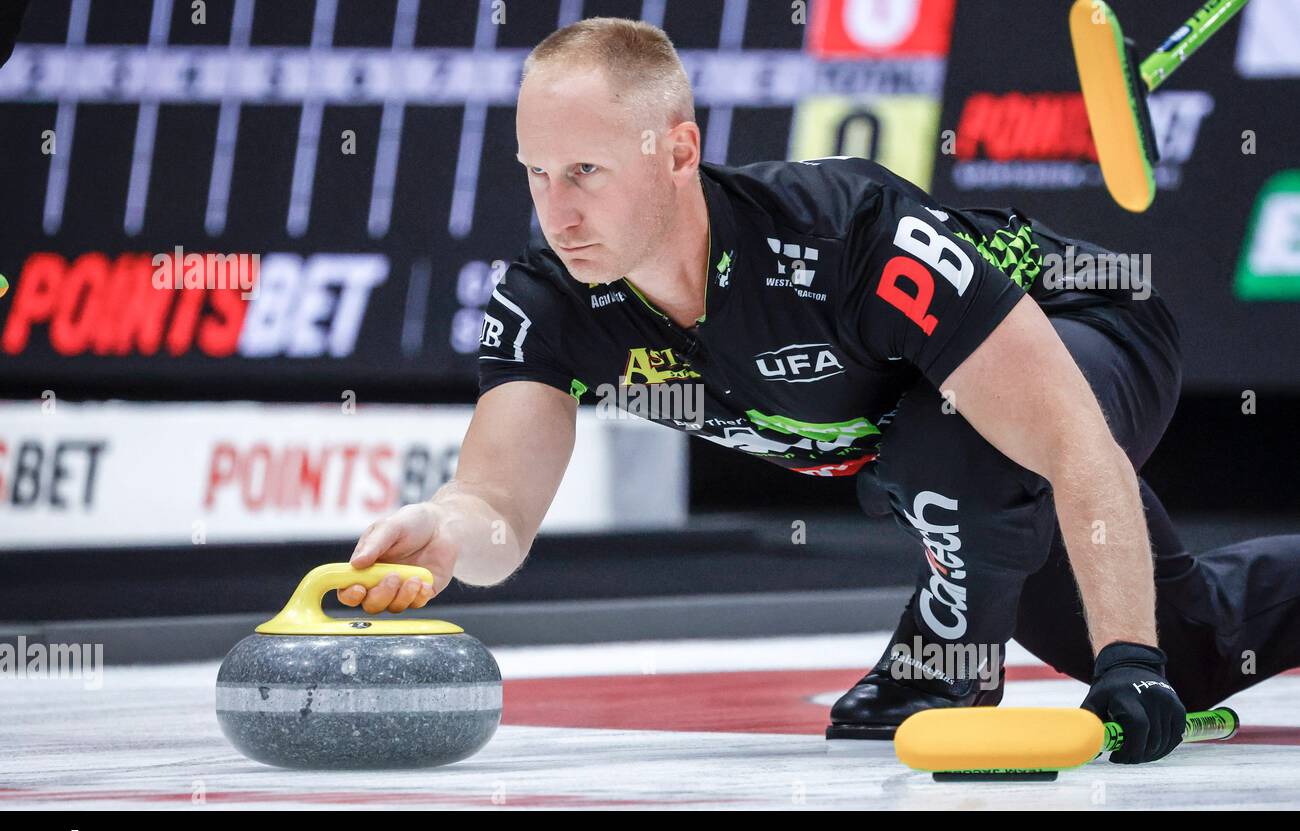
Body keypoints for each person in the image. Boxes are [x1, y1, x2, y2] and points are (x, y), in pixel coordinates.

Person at [345, 17, 1300, 764]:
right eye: (538, 175)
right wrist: (450, 532)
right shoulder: (550, 299)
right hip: (940, 455)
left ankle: (949, 659)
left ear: (679, 154)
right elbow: (499, 507)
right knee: (1195, 653)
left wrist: (1121, 664)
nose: (559, 212)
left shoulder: (843, 235)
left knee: (952, 456)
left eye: (587, 172)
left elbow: (1071, 444)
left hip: (1088, 326)